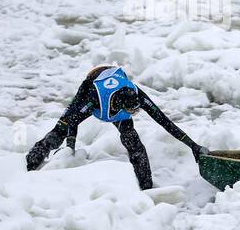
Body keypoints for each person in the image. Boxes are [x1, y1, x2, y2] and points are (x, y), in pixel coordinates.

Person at [26, 65, 204, 190]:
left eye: (136, 111)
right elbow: (72, 120)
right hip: (93, 82)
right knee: (60, 129)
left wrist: (193, 146)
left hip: (115, 87)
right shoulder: (94, 100)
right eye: (131, 111)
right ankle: (31, 162)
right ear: (122, 107)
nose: (135, 113)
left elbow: (166, 123)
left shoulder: (137, 95)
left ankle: (146, 187)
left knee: (134, 143)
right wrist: (70, 146)